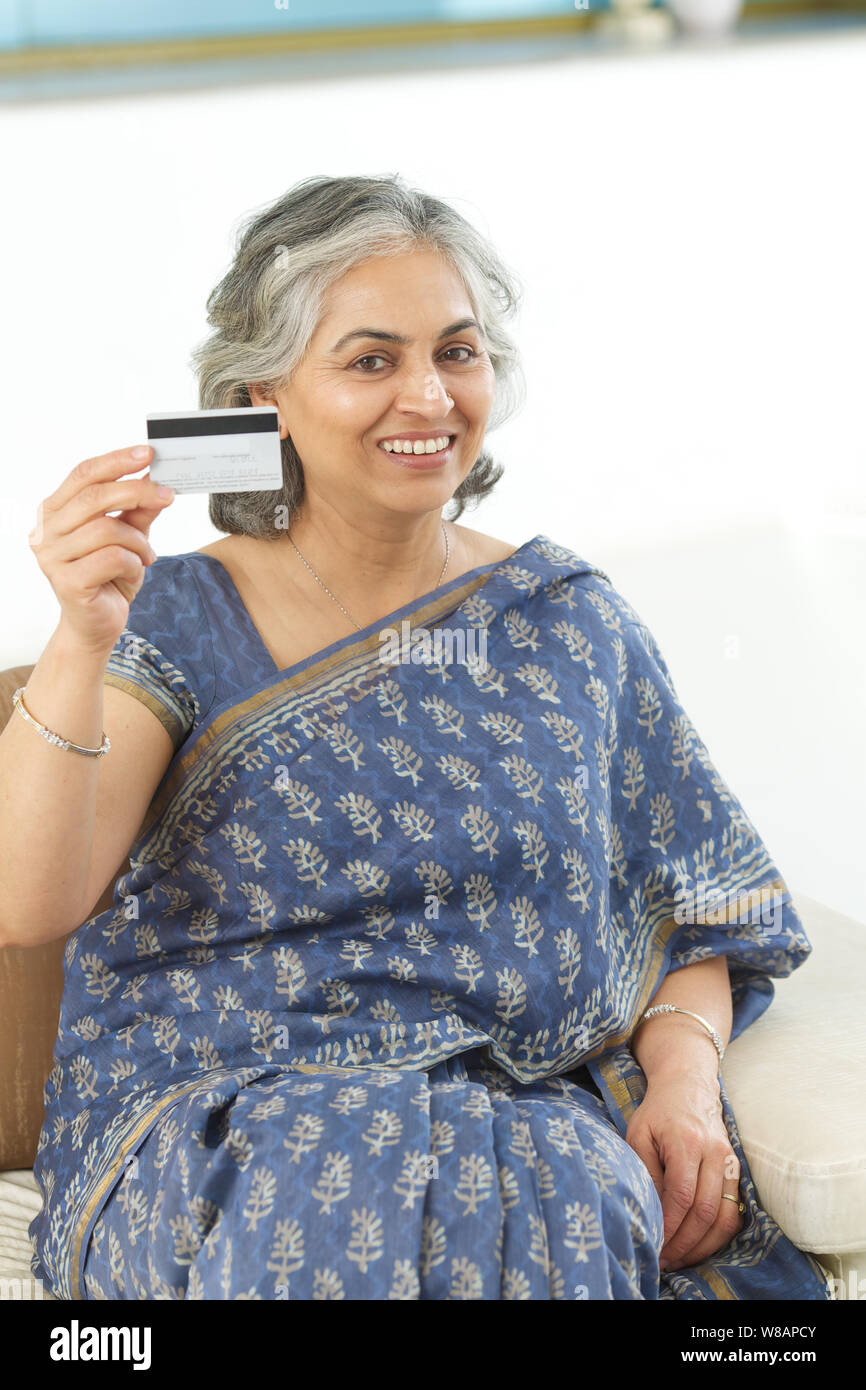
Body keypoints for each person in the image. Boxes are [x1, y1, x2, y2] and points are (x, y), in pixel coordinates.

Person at [1, 174, 831, 1300]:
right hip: (231, 1114)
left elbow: (689, 895)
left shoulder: (561, 620)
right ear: (263, 397)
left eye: (457, 351)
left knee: (571, 1201)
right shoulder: (179, 615)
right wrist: (79, 635)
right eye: (369, 359)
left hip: (514, 1112)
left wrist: (681, 1077)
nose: (428, 395)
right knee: (330, 1201)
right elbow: (27, 898)